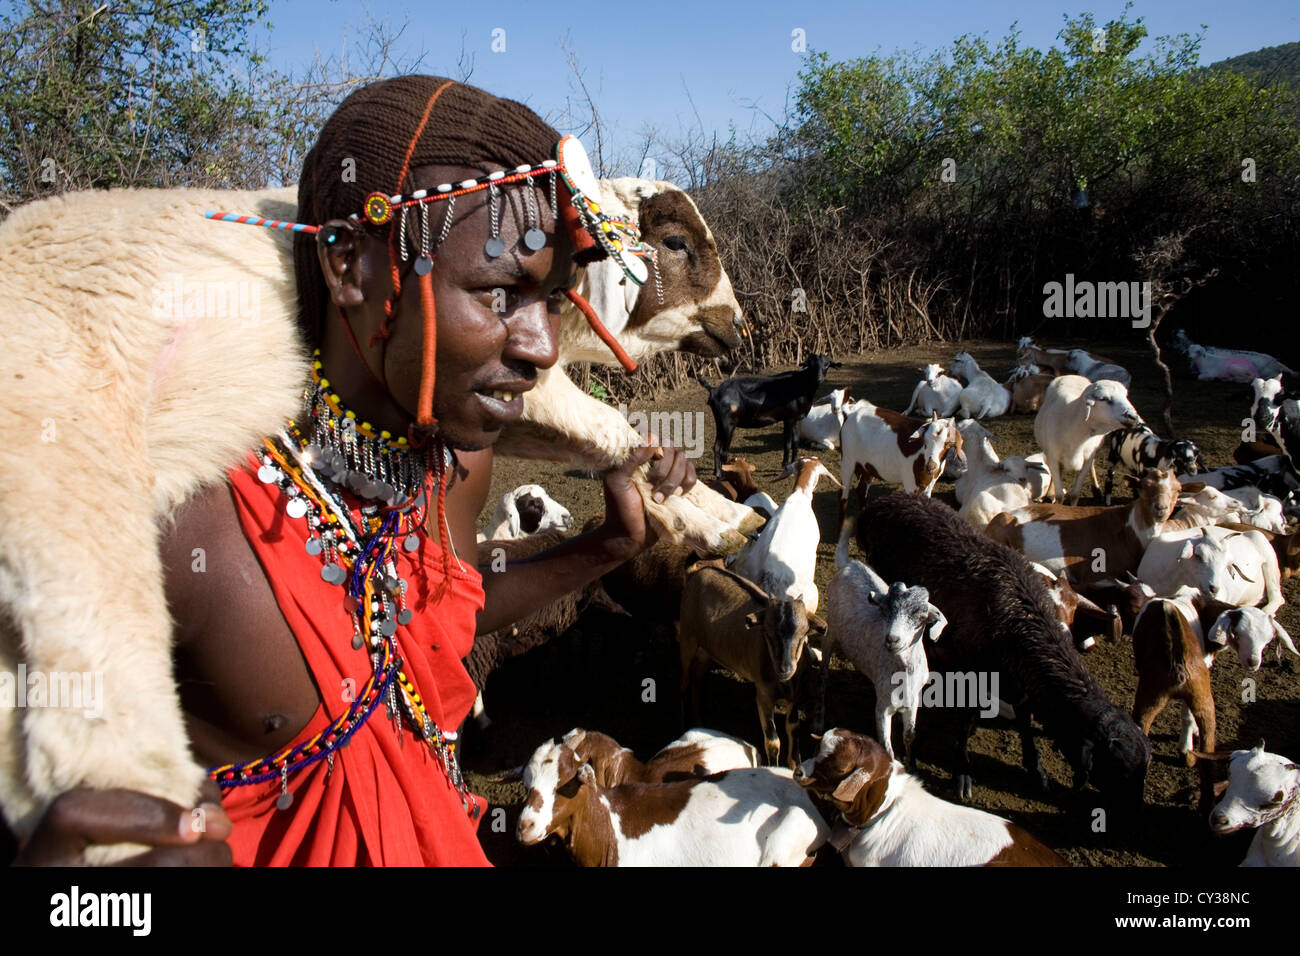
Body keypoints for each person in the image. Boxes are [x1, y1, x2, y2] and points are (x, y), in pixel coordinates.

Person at [12, 76, 696, 865]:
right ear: (348, 266)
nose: (541, 346)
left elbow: (439, 625)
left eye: (553, 299)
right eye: (502, 291)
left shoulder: (455, 462)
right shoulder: (186, 520)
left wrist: (606, 547)